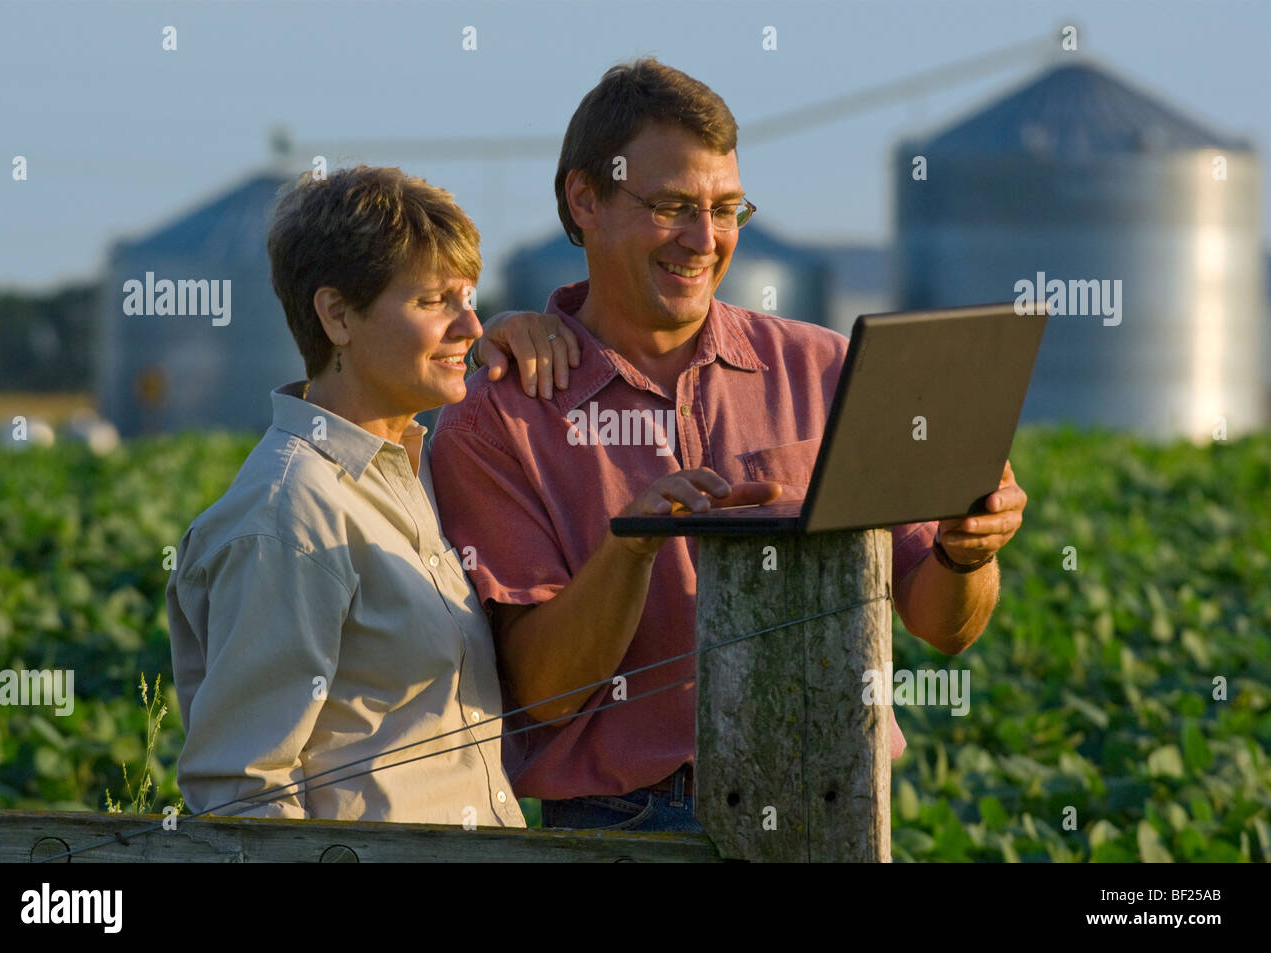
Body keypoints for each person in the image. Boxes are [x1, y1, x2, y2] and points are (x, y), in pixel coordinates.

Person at [430, 59, 1029, 832]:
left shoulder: (828, 368)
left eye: (725, 209)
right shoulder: (499, 419)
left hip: (833, 796)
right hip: (629, 820)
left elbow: (944, 624)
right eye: (673, 206)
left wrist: (966, 550)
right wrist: (633, 545)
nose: (703, 238)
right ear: (585, 200)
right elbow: (543, 689)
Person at [167, 165, 577, 825]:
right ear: (336, 315)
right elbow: (243, 791)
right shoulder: (290, 514)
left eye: (469, 297)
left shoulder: (413, 475)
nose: (470, 325)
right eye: (433, 301)